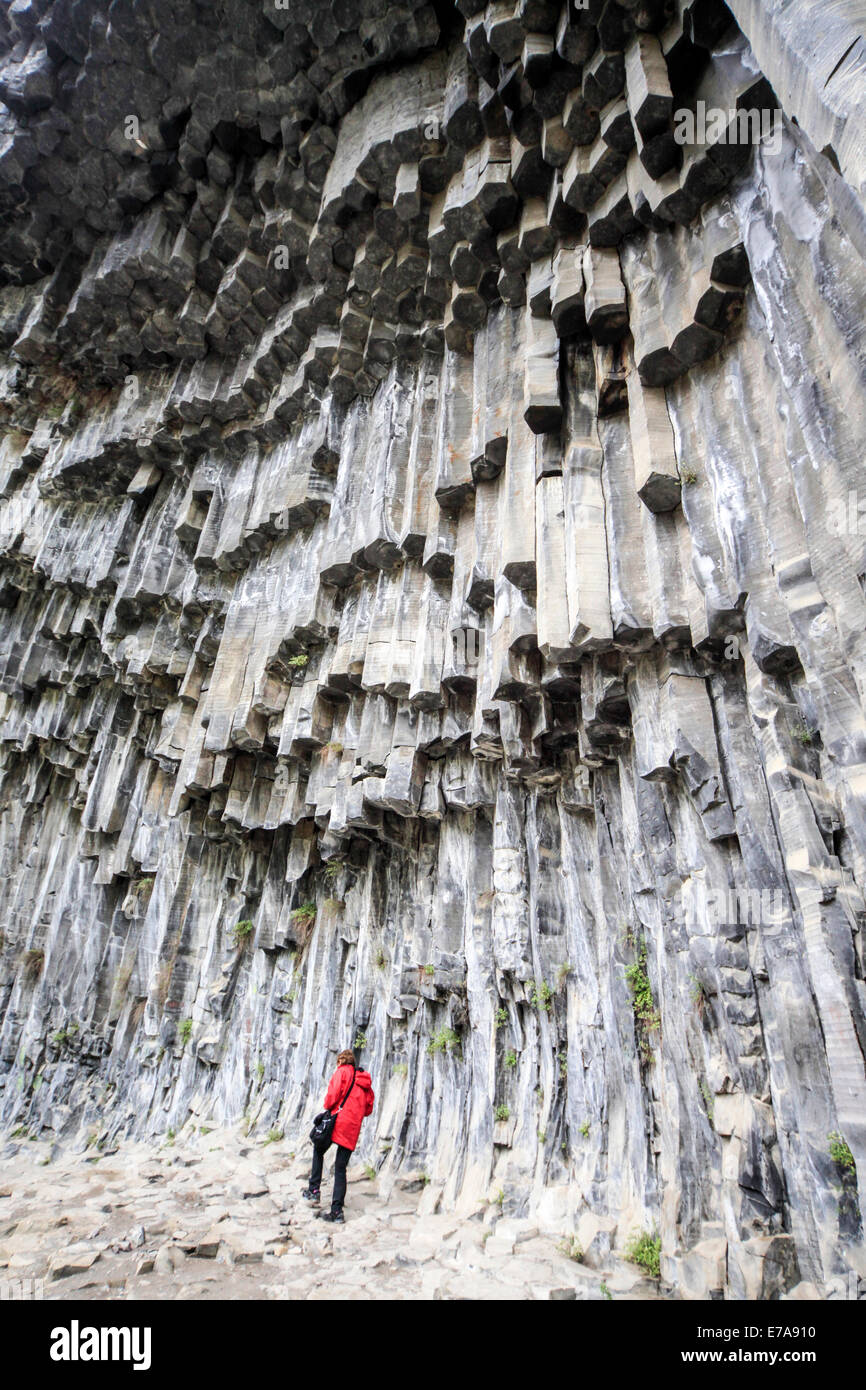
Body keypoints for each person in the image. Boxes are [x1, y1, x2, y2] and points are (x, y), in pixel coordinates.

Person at [302, 1048, 374, 1223]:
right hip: (353, 1128)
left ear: (341, 1061)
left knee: (319, 1150)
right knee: (341, 1168)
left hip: (338, 1123)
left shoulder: (342, 1073)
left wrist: (330, 1107)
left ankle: (313, 1191)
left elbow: (331, 1098)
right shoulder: (365, 1083)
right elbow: (368, 1109)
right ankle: (337, 1212)